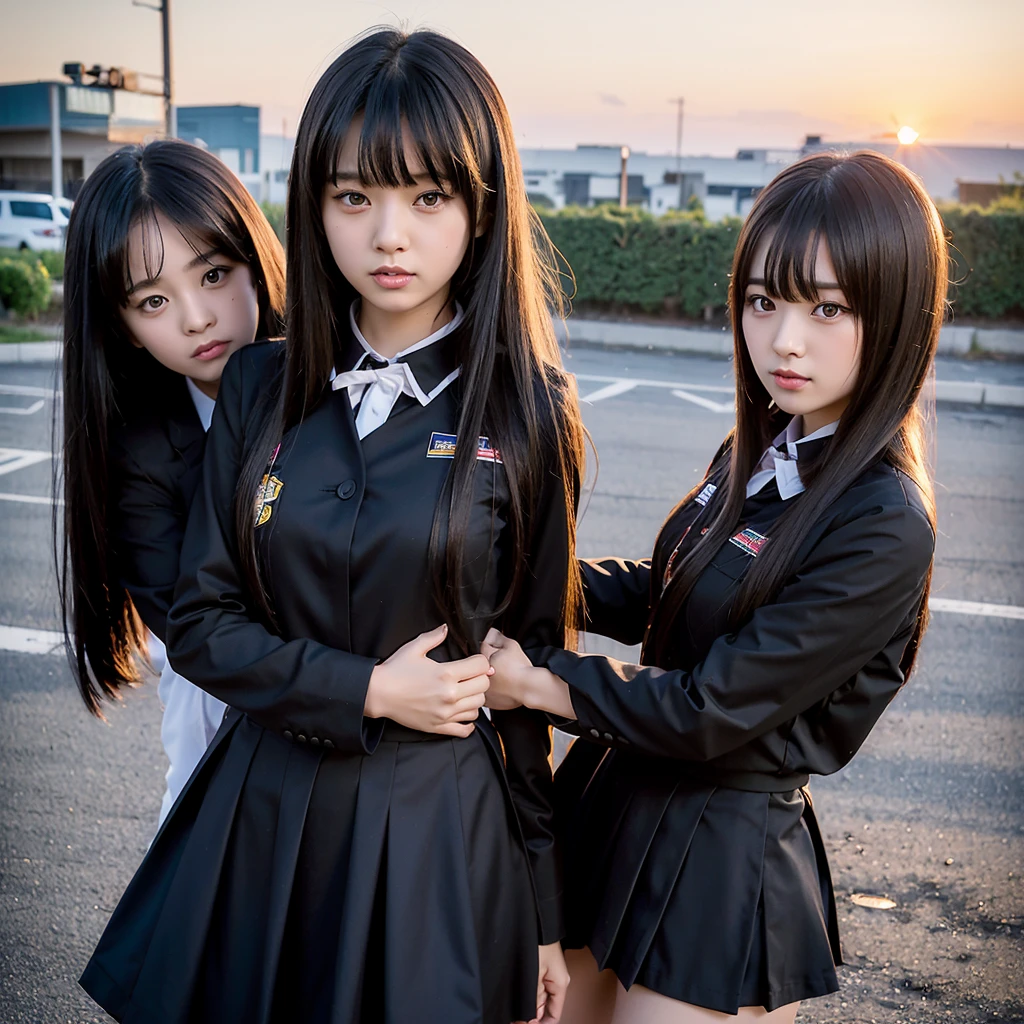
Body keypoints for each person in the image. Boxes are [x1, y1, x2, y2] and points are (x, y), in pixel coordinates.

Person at [80, 28, 584, 1024]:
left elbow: (528, 669)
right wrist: (370, 688)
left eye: (427, 197)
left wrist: (540, 908)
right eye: (354, 197)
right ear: (313, 206)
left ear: (481, 209)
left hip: (434, 825)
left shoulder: (530, 410)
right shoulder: (263, 381)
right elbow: (209, 625)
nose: (388, 235)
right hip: (263, 808)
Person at [481, 150, 946, 1024]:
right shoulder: (763, 448)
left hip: (721, 860)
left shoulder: (884, 521)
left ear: (900, 312)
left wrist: (537, 681)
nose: (784, 339)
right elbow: (669, 591)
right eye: (765, 301)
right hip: (615, 805)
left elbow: (711, 708)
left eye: (829, 307)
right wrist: (515, 576)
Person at [57, 139, 286, 823]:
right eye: (153, 301)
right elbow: (200, 640)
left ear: (253, 259)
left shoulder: (351, 382)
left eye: (212, 274)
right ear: (122, 326)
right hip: (225, 730)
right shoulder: (136, 453)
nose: (196, 318)